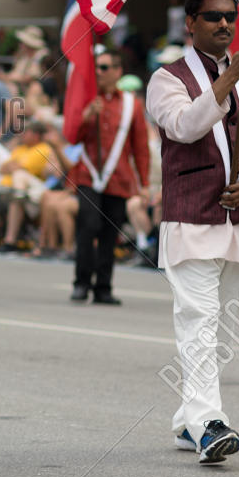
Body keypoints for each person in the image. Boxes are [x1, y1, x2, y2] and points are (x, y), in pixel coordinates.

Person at [146, 0, 239, 465]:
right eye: (213, 16)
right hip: (191, 221)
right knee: (199, 319)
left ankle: (187, 420)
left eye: (230, 15)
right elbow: (185, 126)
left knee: (219, 327)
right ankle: (209, 425)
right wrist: (228, 81)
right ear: (191, 23)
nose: (224, 23)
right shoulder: (166, 79)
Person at [69, 50, 150, 304]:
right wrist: (86, 117)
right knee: (88, 226)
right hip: (88, 175)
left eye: (104, 68)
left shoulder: (131, 104)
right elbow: (72, 137)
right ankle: (81, 283)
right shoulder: (87, 100)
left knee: (109, 233)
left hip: (118, 178)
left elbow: (140, 147)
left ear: (117, 71)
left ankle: (103, 287)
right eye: (97, 67)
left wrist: (144, 183)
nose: (99, 72)